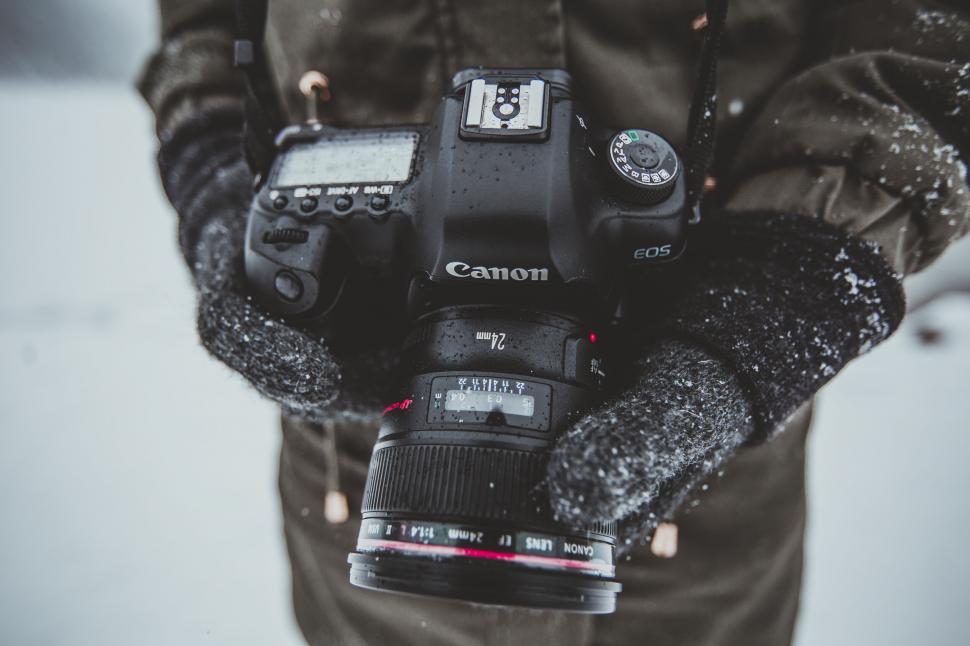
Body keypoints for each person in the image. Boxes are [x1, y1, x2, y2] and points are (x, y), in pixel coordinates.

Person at [140, 1, 970, 644]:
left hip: (698, 448)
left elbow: (931, 34)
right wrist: (224, 171)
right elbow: (207, 27)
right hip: (361, 465)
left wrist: (773, 299)